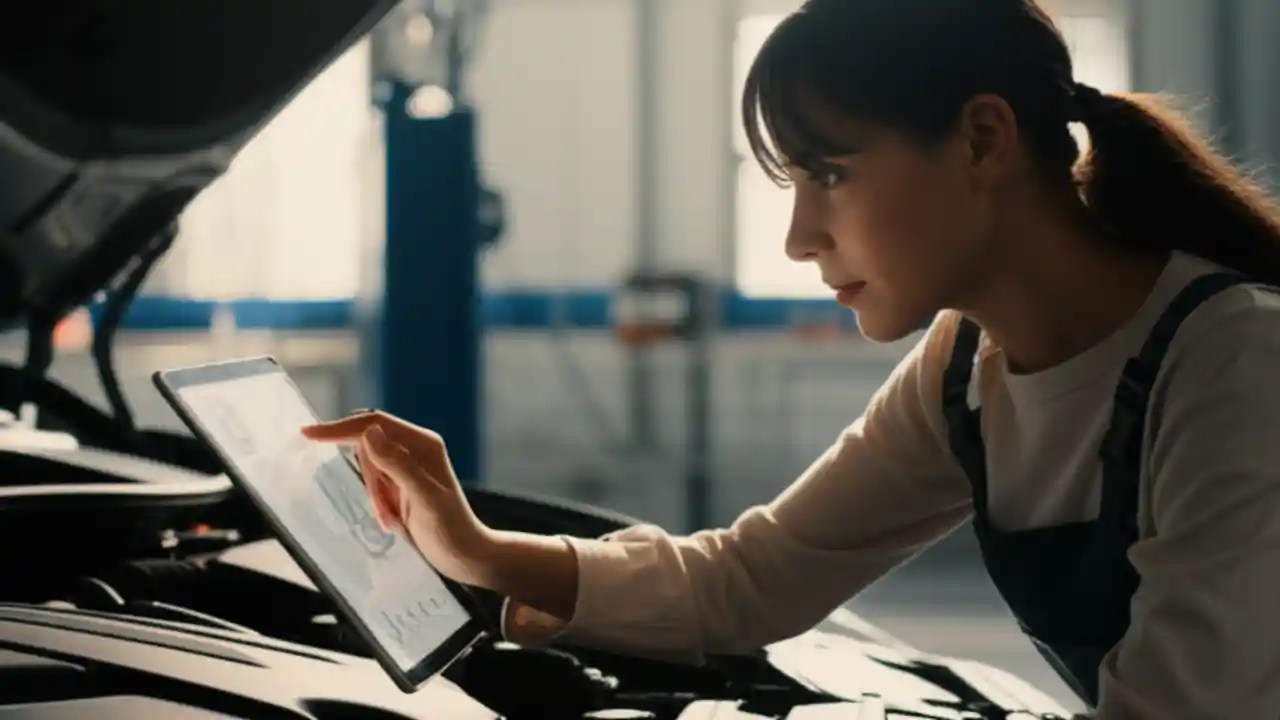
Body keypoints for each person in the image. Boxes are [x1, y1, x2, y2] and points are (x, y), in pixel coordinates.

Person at [303, 0, 1280, 716]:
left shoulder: (1234, 362)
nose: (798, 238)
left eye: (829, 174)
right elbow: (749, 582)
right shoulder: (965, 368)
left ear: (983, 140)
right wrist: (474, 549)